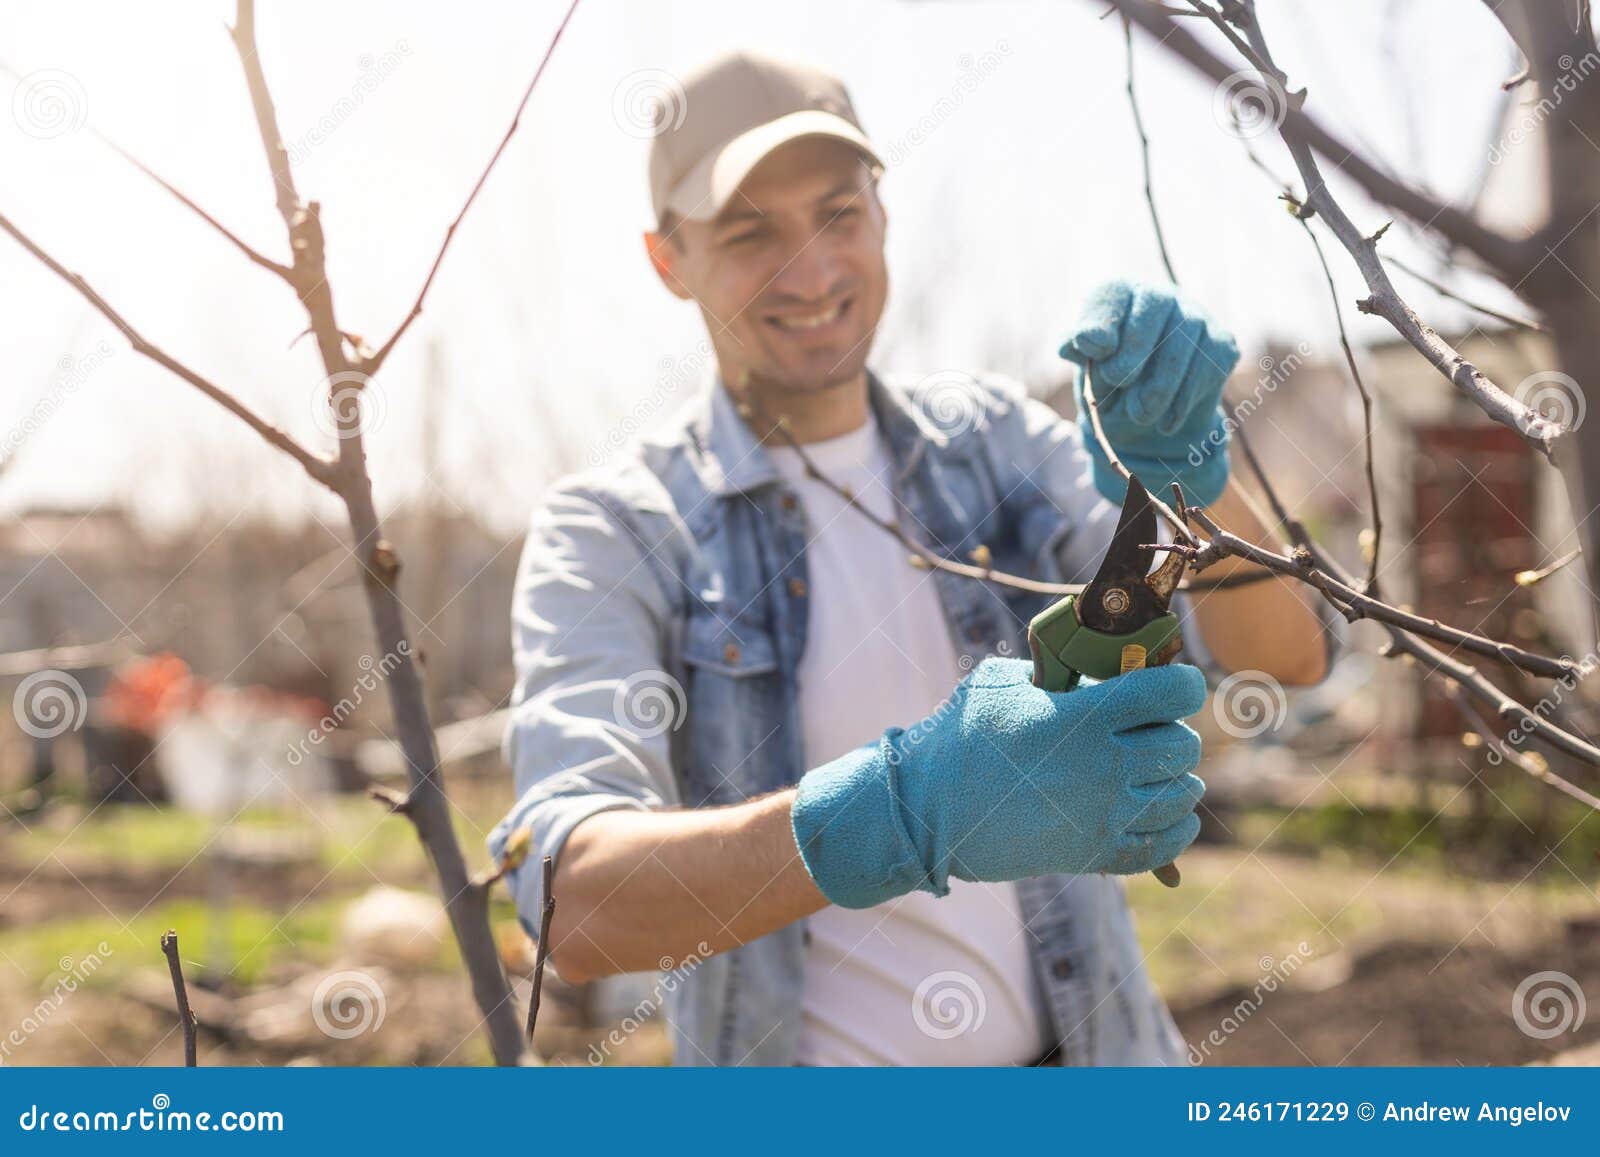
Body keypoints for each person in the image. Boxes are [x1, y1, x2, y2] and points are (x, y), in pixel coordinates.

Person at [489, 49, 1331, 1067]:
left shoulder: (994, 448)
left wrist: (1189, 480)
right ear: (668, 260)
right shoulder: (619, 530)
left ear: (881, 216)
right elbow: (575, 908)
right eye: (750, 232)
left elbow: (1278, 655)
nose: (811, 272)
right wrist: (904, 810)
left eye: (838, 214)